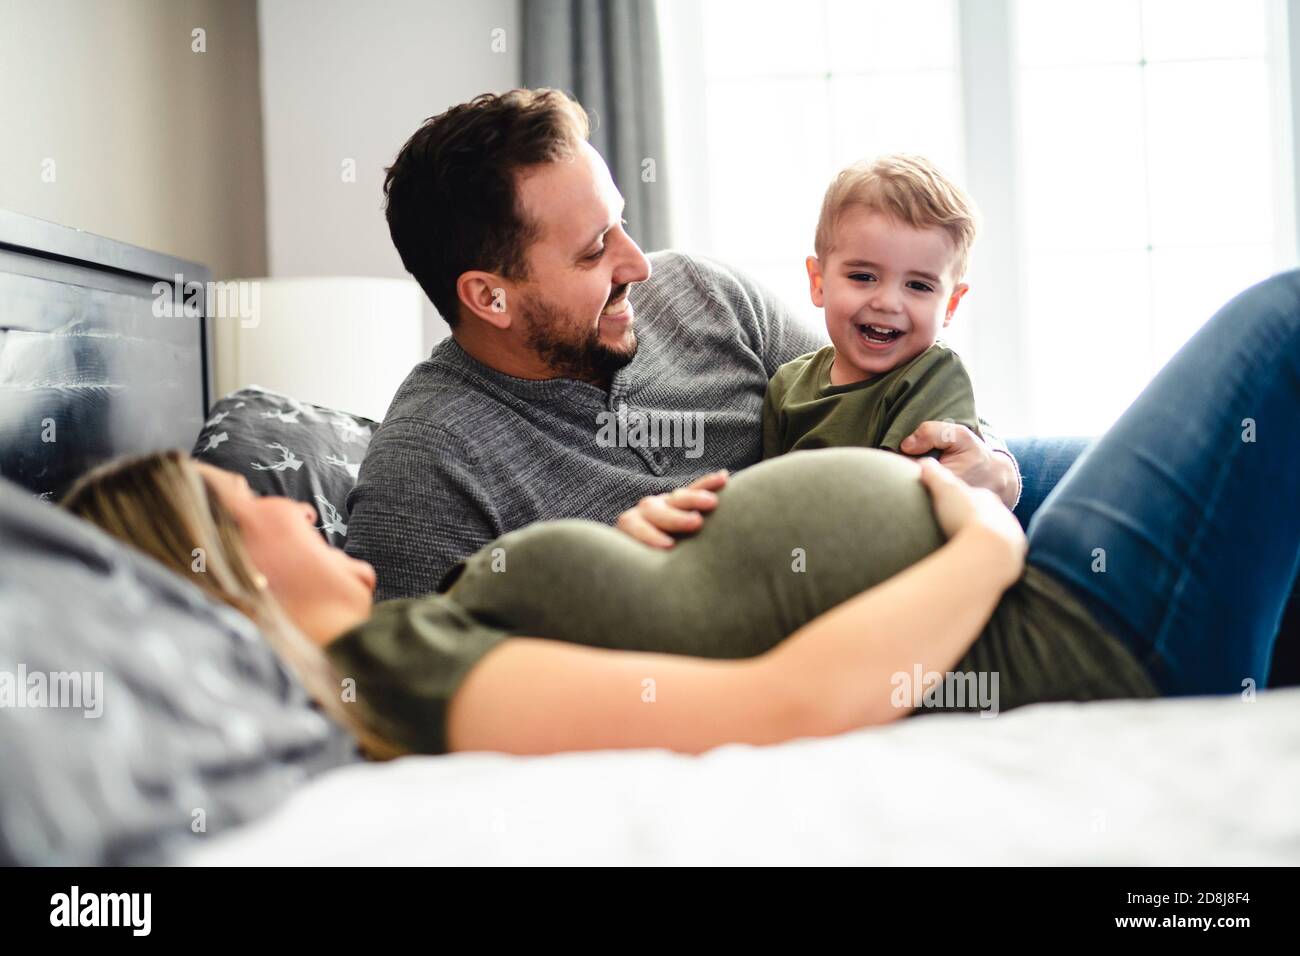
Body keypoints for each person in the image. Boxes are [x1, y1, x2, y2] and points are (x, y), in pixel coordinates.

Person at [60, 267, 1300, 756]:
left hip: (976, 550)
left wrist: (610, 557)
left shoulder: (399, 651)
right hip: (1047, 633)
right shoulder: (380, 669)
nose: (292, 507)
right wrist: (983, 548)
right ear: (221, 570)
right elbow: (781, 705)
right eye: (247, 498)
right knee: (1284, 329)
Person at [345, 89, 1021, 599]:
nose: (639, 264)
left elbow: (881, 391)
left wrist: (990, 460)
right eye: (593, 253)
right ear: (488, 296)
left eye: (621, 224)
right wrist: (603, 574)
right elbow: (413, 686)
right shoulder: (428, 461)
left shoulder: (704, 294)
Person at [763, 154, 986, 459]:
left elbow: (902, 494)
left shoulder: (934, 375)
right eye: (863, 277)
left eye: (918, 286)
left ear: (950, 305)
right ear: (818, 282)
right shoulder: (786, 385)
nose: (887, 303)